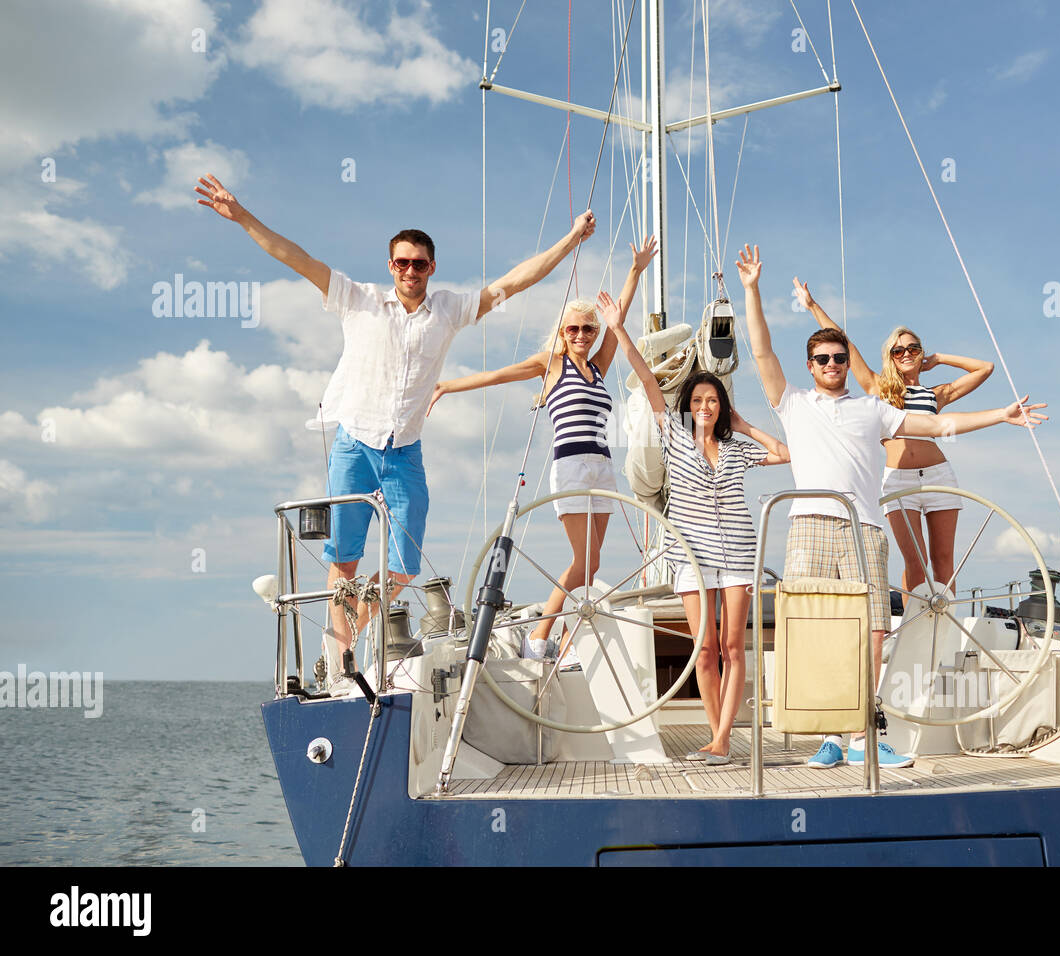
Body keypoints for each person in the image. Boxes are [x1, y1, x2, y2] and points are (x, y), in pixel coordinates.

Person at [195, 173, 596, 694]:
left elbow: (516, 281)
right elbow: (295, 258)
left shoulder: (448, 310)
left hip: (404, 452)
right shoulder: (358, 299)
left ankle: (347, 637)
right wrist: (243, 216)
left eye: (419, 264)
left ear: (432, 268)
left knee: (404, 563)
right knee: (344, 561)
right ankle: (339, 662)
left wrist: (571, 238)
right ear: (390, 266)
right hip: (354, 445)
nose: (410, 270)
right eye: (402, 262)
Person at [736, 245, 1046, 769]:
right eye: (822, 359)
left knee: (873, 631)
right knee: (816, 629)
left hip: (864, 528)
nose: (833, 365)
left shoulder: (874, 409)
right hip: (809, 525)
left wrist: (1001, 414)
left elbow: (938, 426)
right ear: (810, 366)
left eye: (839, 358)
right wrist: (752, 291)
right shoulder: (791, 402)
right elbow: (763, 351)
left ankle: (862, 737)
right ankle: (830, 737)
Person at [428, 237, 658, 660]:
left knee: (592, 565)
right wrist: (446, 385)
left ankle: (561, 638)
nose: (581, 335)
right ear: (562, 332)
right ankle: (538, 636)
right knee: (582, 560)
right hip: (571, 466)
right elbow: (497, 375)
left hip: (602, 466)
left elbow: (617, 319)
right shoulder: (551, 363)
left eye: (588, 329)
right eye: (573, 329)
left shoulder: (598, 366)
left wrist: (635, 271)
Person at [604, 287, 789, 765]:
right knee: (704, 650)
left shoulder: (736, 448)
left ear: (722, 406)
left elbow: (785, 453)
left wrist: (744, 424)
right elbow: (648, 379)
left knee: (733, 646)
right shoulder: (673, 435)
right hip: (690, 556)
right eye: (698, 399)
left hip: (738, 554)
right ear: (687, 405)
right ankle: (716, 736)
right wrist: (619, 329)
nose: (705, 406)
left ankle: (723, 739)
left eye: (713, 400)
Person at [795, 280, 993, 598]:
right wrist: (812, 306)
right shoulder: (878, 388)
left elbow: (985, 368)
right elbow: (845, 343)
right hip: (898, 480)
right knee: (916, 562)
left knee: (944, 562)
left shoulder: (936, 394)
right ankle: (915, 621)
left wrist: (940, 358)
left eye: (913, 348)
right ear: (890, 356)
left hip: (939, 476)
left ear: (921, 352)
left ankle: (943, 624)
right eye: (898, 350)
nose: (906, 354)